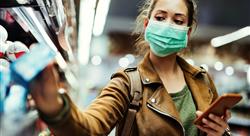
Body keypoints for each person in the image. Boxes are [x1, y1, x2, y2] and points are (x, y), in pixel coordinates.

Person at [29, 0, 232, 135]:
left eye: (178, 21)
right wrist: (56, 108)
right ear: (147, 26)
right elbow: (90, 127)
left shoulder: (202, 81)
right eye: (160, 18)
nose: (168, 25)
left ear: (187, 34)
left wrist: (221, 132)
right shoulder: (128, 83)